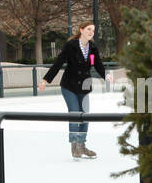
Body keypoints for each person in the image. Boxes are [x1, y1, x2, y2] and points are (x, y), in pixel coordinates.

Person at [39, 21, 104, 159]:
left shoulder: (92, 47)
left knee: (85, 115)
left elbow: (97, 64)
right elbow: (58, 63)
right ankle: (75, 146)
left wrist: (106, 75)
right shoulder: (71, 46)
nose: (91, 32)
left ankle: (82, 145)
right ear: (81, 30)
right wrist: (45, 80)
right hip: (69, 86)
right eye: (88, 29)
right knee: (74, 114)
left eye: (93, 30)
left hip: (85, 87)